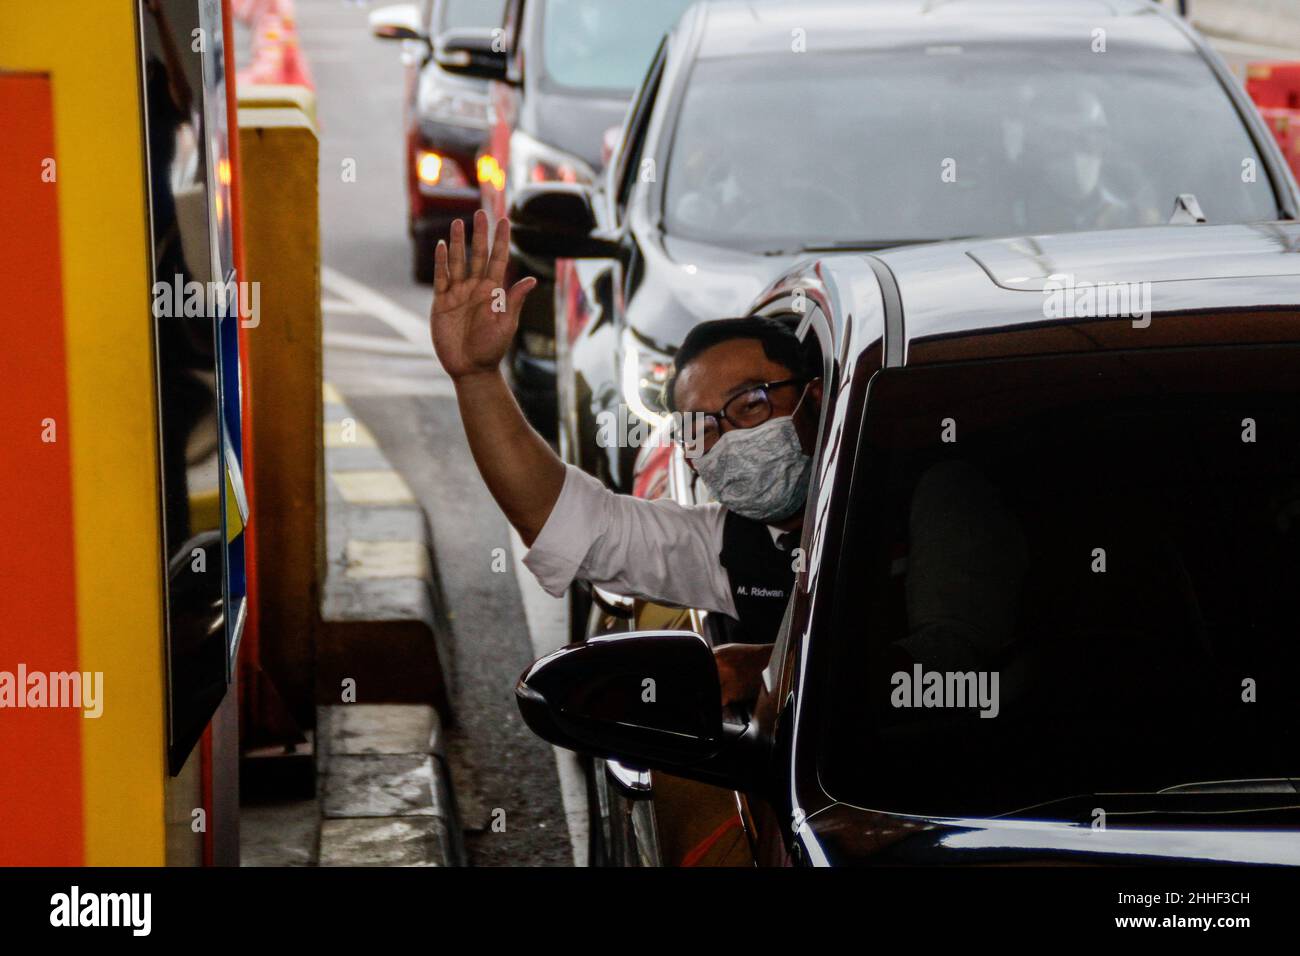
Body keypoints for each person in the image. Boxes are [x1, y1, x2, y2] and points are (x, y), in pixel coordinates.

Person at [430, 212, 822, 705]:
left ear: (816, 400)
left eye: (750, 405)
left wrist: (776, 663)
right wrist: (476, 376)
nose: (729, 440)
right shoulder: (727, 549)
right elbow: (554, 517)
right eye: (701, 430)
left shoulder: (921, 505)